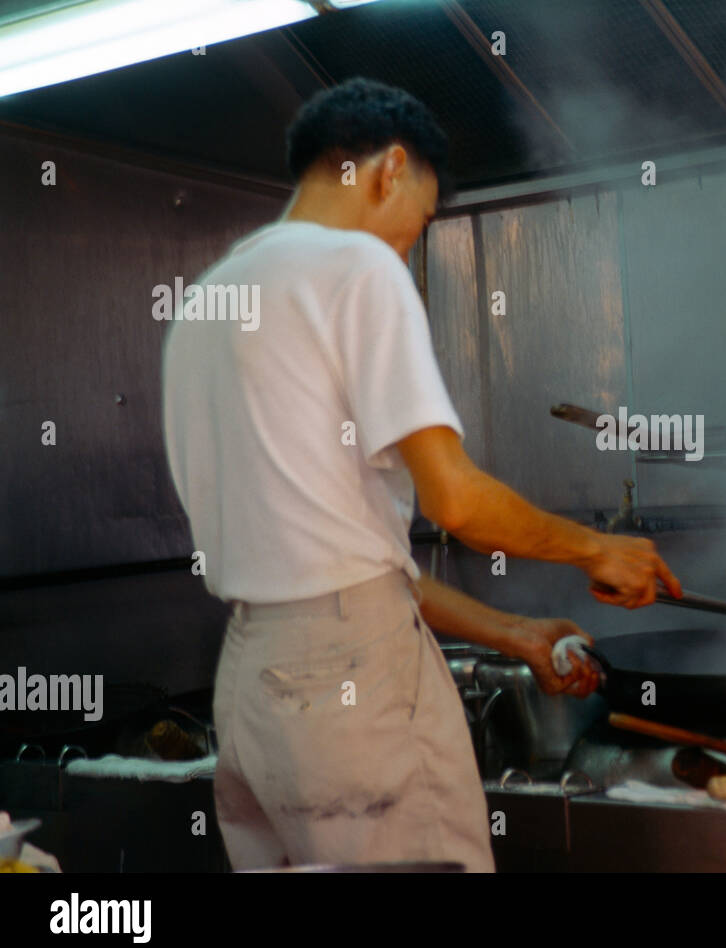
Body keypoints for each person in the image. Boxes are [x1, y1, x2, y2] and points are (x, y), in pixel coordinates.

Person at [161, 78, 681, 873]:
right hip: (353, 693)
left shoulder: (205, 301)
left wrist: (515, 632)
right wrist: (596, 551)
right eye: (424, 218)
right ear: (388, 169)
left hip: (251, 688)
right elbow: (456, 499)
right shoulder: (359, 268)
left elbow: (346, 561)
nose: (412, 241)